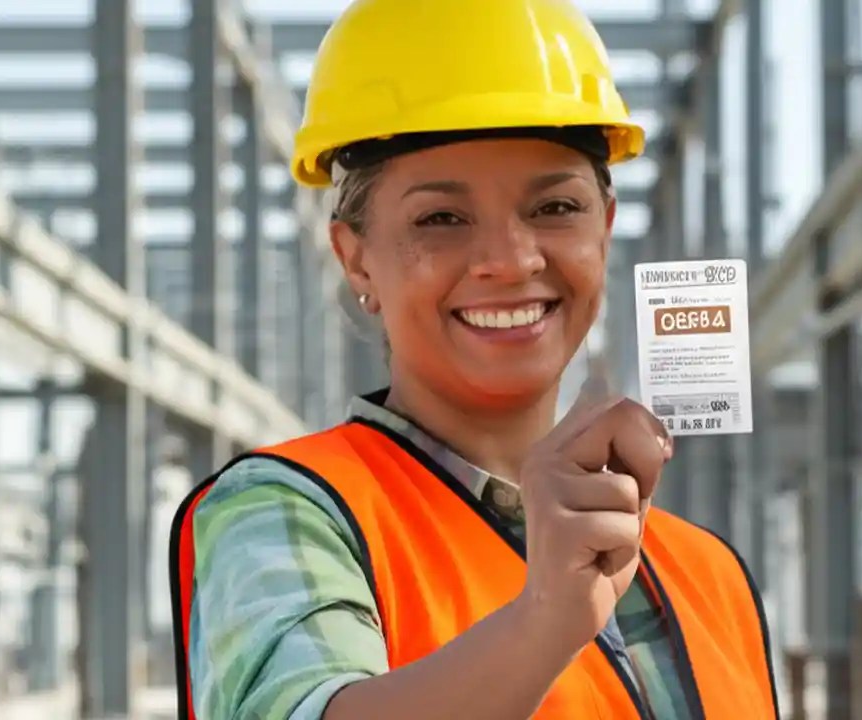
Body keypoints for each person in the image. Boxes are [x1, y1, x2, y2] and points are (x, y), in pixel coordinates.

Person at [170, 1, 779, 718]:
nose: (511, 260)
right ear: (356, 259)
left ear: (606, 229)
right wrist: (543, 621)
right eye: (442, 219)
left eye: (556, 208)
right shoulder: (287, 513)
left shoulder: (710, 577)